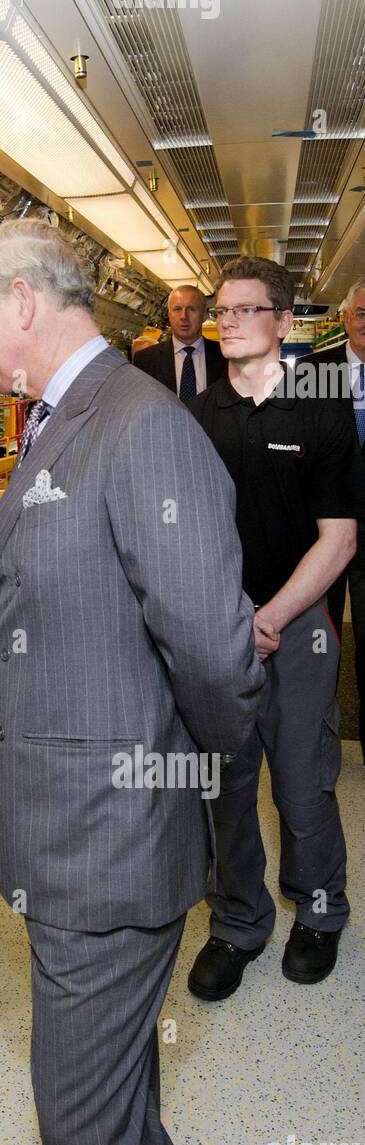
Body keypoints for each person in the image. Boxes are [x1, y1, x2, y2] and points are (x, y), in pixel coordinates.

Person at [0, 219, 263, 1145]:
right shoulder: (59, 419)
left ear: (20, 300)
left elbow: (213, 657)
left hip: (107, 843)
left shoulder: (140, 430)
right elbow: (57, 575)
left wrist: (194, 779)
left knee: (82, 1135)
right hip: (74, 840)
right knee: (118, 1107)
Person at [186, 257, 357, 999]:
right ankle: (236, 920)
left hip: (301, 625)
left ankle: (318, 912)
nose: (226, 322)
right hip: (218, 629)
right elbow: (181, 533)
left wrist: (270, 617)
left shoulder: (319, 411)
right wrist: (222, 618)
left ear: (284, 324)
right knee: (223, 782)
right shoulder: (197, 414)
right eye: (221, 311)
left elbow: (339, 537)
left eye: (244, 311)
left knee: (300, 781)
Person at [315, 278, 365, 763]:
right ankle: (320, 742)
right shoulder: (313, 373)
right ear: (347, 318)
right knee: (320, 641)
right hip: (324, 531)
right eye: (363, 314)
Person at [133, 285, 226, 400]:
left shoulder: (225, 357)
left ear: (204, 315)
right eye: (177, 309)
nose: (183, 316)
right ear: (169, 315)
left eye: (191, 309)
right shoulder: (146, 359)